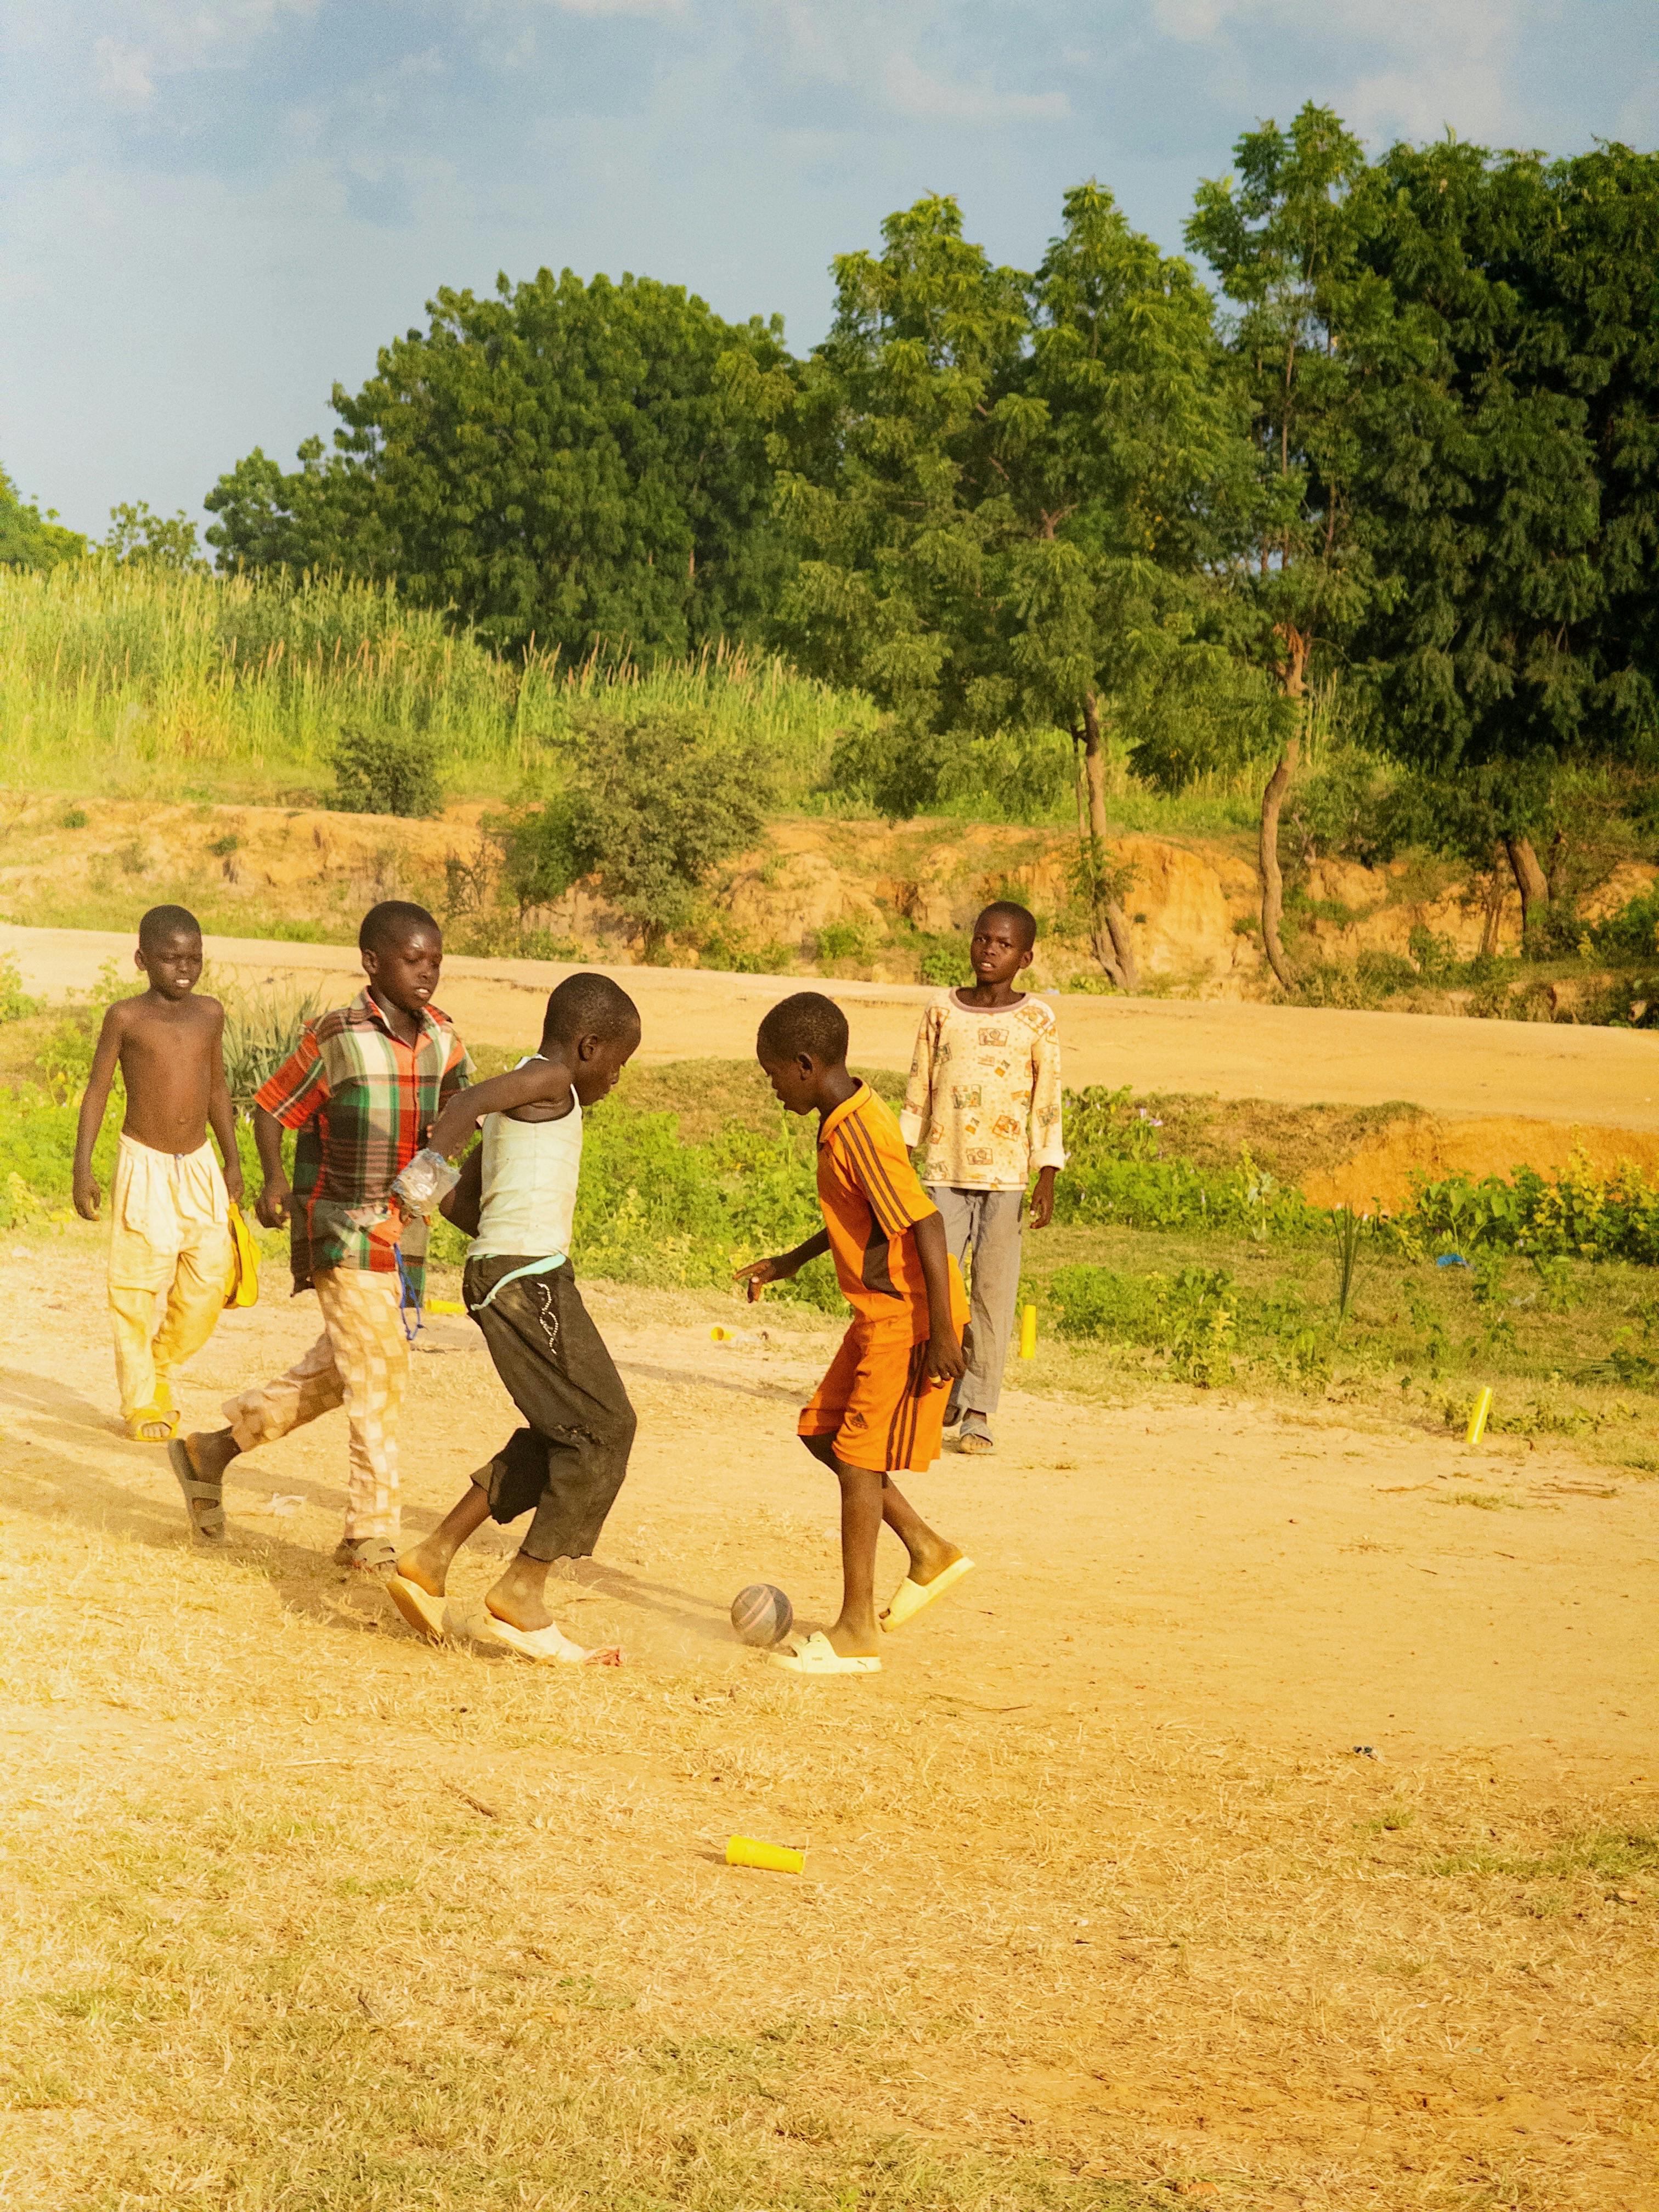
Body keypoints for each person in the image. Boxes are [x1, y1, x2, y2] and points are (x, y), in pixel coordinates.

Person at [168, 901, 470, 1569]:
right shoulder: (337, 1036)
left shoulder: (446, 1040)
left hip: (404, 1238)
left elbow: (461, 1123)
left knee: (341, 1375)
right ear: (372, 963)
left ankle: (208, 1452)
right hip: (343, 1230)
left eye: (436, 962)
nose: (428, 974)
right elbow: (272, 1110)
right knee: (383, 1373)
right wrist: (275, 1181)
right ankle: (368, 1533)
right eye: (413, 960)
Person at [382, 973, 642, 1667]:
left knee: (561, 1430)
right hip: (530, 1281)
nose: (616, 1078)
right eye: (617, 1064)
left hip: (507, 1275)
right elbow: (467, 1098)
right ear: (588, 1047)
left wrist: (443, 1193)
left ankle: (431, 1558)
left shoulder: (532, 1100)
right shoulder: (551, 1081)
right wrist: (427, 1170)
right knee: (607, 1428)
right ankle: (523, 1591)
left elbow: (469, 1210)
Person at [737, 991, 974, 1676]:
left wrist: (942, 1335)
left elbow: (925, 1222)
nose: (774, 1088)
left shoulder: (860, 1129)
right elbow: (867, 1213)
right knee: (821, 1432)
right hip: (879, 1312)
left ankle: (855, 1631)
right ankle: (927, 1550)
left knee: (859, 1462)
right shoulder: (844, 1118)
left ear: (807, 1065)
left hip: (906, 1316)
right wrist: (793, 1261)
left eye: (775, 1074)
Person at [72, 905, 244, 1443]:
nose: (184, 969)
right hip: (143, 1163)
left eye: (193, 958)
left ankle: (160, 1364)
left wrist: (233, 1158)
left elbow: (217, 1088)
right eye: (171, 959)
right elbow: (98, 1090)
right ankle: (142, 1401)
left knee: (211, 1277)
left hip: (197, 1165)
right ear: (143, 960)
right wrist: (83, 1167)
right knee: (135, 1288)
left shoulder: (210, 1013)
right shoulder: (126, 1018)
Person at [899, 900, 1064, 1455]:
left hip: (1008, 1180)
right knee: (938, 1290)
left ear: (1025, 956)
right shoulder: (941, 1009)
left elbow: (1047, 1099)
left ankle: (977, 1411)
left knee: (993, 1295)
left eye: (1003, 945)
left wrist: (1047, 1171)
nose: (989, 951)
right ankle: (941, 1385)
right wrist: (900, 1154)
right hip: (945, 1169)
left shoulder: (1036, 1018)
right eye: (982, 939)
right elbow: (919, 1085)